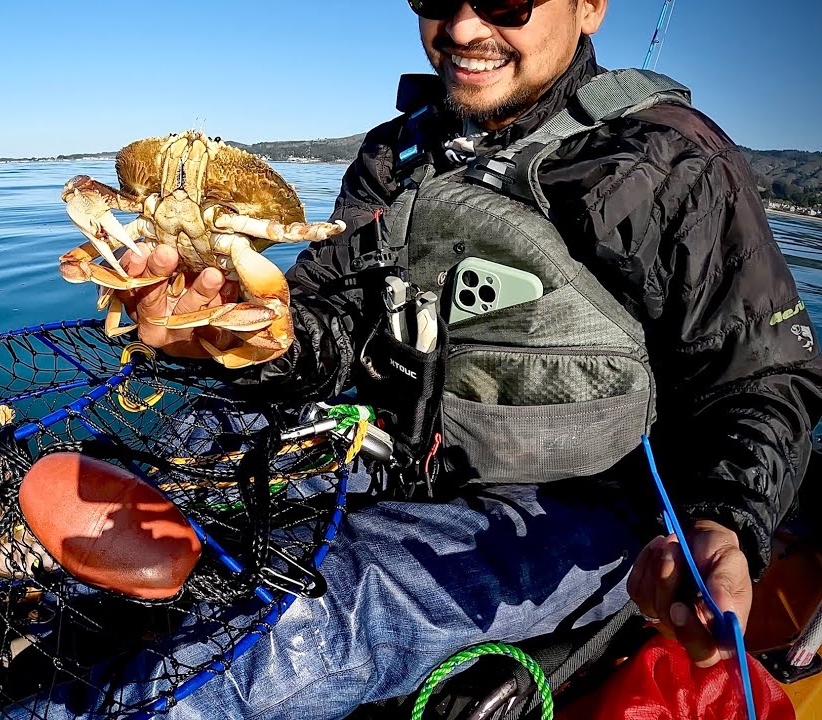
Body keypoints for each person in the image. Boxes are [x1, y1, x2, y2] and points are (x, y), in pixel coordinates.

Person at [87, 0, 822, 716]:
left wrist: (727, 519)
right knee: (173, 460)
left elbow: (761, 376)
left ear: (590, 7)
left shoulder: (668, 159)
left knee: (307, 627)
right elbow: (328, 327)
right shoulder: (395, 152)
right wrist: (241, 337)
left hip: (582, 503)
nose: (466, 28)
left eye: (508, 2)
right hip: (395, 445)